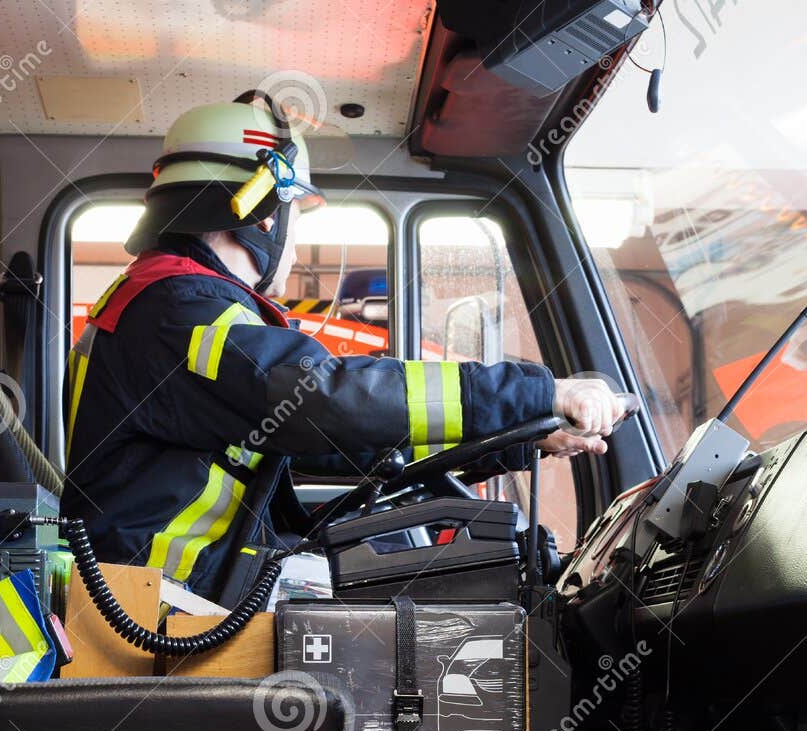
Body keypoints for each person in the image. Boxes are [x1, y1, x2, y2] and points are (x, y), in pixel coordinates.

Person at [61, 90, 628, 602]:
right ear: (262, 213)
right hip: (155, 607)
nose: (294, 239)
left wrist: (512, 439)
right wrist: (537, 391)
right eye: (293, 215)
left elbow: (340, 440)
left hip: (179, 589)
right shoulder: (177, 308)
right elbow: (327, 397)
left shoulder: (175, 299)